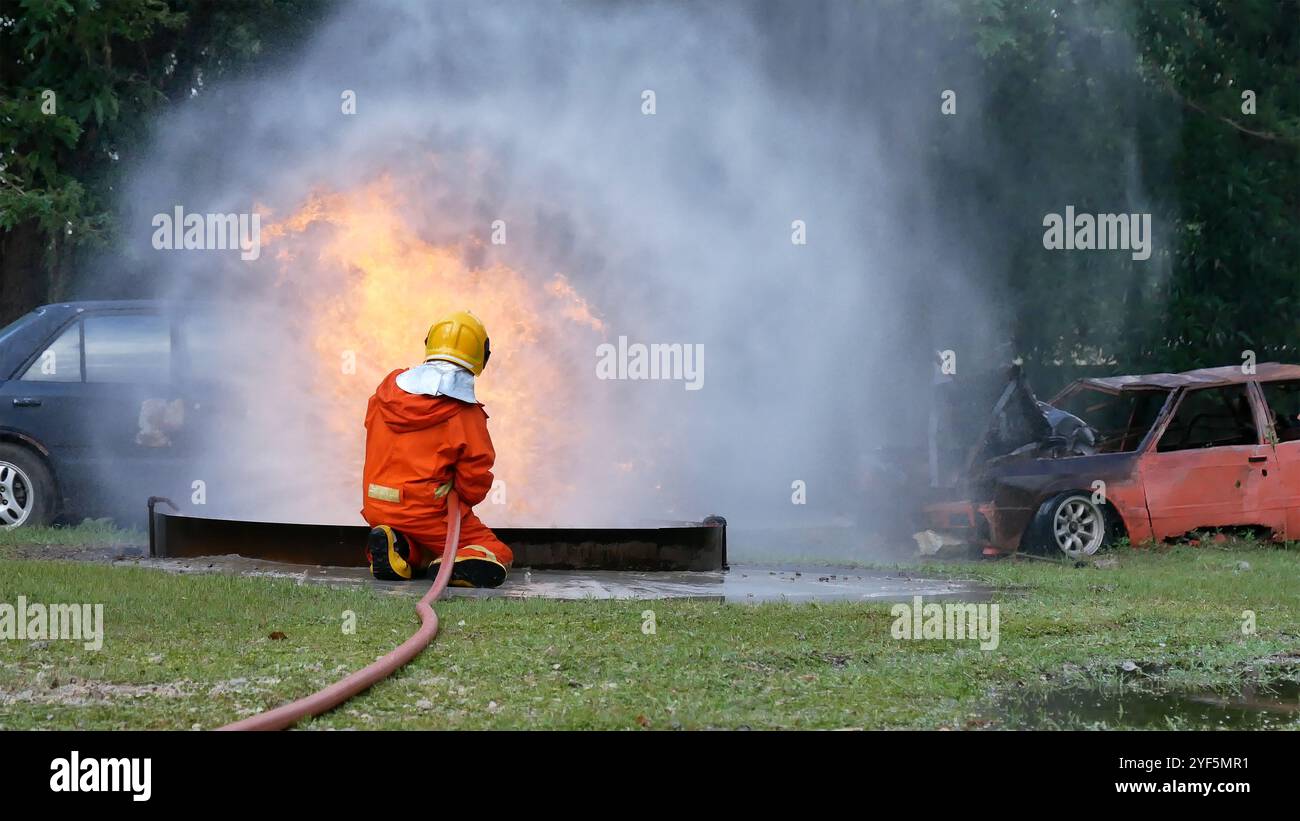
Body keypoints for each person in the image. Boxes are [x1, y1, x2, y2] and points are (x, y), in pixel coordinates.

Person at [360, 310, 511, 587]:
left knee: (419, 541)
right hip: (426, 511)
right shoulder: (464, 413)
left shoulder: (385, 393)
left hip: (376, 505)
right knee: (495, 551)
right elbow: (475, 479)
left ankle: (399, 546)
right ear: (481, 357)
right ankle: (455, 563)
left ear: (429, 342)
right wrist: (458, 492)